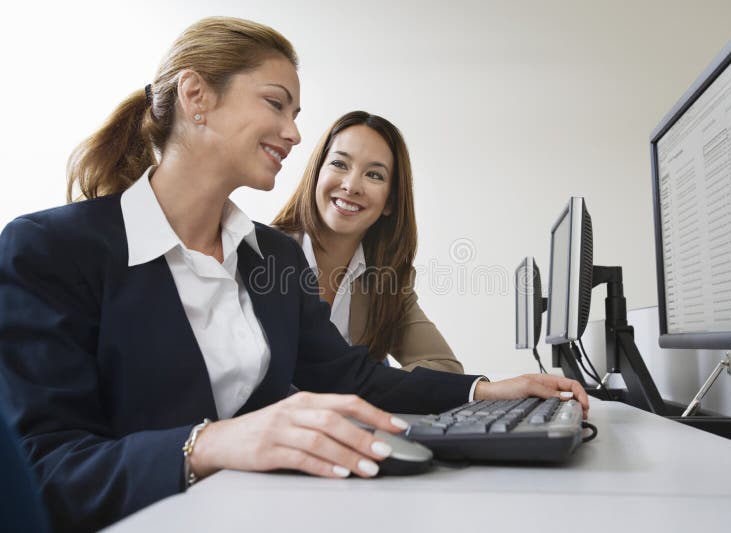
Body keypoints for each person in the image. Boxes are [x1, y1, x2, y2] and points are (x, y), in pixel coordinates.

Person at [0, 16, 589, 533]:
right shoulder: (48, 251)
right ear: (196, 96)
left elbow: (354, 376)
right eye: (276, 104)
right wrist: (213, 444)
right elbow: (46, 473)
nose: (295, 132)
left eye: (296, 113)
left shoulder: (270, 260)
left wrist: (485, 390)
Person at [273, 111, 463, 373]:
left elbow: (445, 366)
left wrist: (371, 385)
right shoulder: (262, 254)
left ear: (390, 202)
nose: (351, 186)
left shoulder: (387, 281)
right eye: (340, 164)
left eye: (374, 175)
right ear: (317, 173)